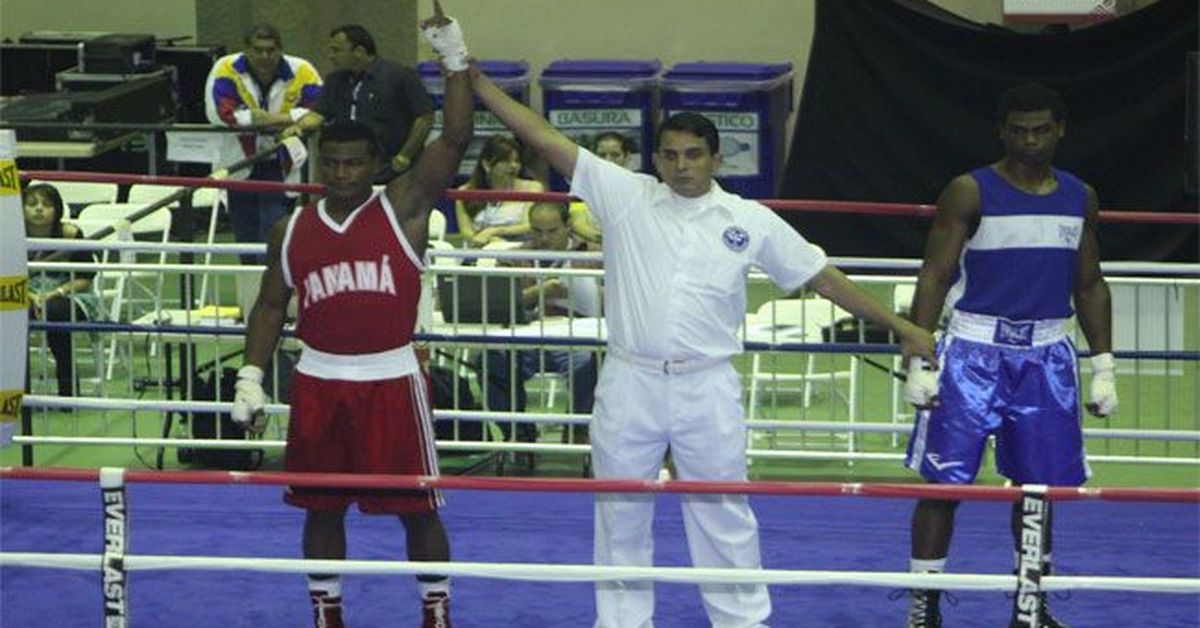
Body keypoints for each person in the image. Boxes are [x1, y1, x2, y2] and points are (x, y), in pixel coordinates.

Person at [469, 66, 936, 627]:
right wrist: (474, 80)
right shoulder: (624, 195)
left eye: (693, 154)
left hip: (707, 383)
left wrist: (901, 327)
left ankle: (742, 622)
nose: (681, 165)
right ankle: (622, 623)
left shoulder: (750, 219)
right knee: (619, 510)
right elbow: (543, 137)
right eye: (670, 155)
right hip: (630, 379)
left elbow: (823, 278)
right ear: (656, 159)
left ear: (717, 159)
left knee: (722, 509)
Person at [230, 4, 472, 626]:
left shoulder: (403, 209)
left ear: (374, 164)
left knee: (419, 507)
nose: (341, 174)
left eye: (354, 163)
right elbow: (271, 305)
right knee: (321, 506)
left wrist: (453, 59)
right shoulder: (291, 228)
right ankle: (326, 611)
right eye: (331, 163)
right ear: (318, 162)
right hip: (318, 379)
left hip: (391, 380)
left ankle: (436, 610)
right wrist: (250, 376)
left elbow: (453, 139)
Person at [901, 82, 1118, 628]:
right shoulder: (968, 191)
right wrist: (919, 357)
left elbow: (1089, 283)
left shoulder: (1080, 196)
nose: (1030, 141)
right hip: (972, 352)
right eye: (1019, 130)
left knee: (1037, 491)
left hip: (1046, 356)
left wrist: (1104, 367)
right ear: (1002, 131)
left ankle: (1031, 608)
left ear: (1060, 130)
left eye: (1041, 129)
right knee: (944, 485)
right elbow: (935, 273)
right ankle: (924, 607)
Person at [478, 202, 601, 446]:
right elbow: (497, 304)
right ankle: (518, 433)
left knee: (592, 361)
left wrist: (594, 294)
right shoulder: (513, 258)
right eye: (537, 231)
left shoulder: (592, 256)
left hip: (576, 336)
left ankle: (578, 428)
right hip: (524, 337)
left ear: (568, 226)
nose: (544, 238)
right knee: (489, 361)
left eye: (552, 231)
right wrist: (538, 292)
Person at [204, 23, 322, 265]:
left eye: (271, 50)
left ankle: (274, 283)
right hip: (239, 163)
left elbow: (319, 110)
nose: (265, 56)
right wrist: (288, 118)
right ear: (246, 50)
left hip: (283, 164)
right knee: (244, 236)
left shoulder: (302, 70)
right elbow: (220, 113)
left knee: (274, 230)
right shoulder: (226, 68)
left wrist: (268, 119)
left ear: (281, 50)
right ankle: (250, 285)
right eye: (258, 50)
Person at [283, 24, 435, 183]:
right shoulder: (335, 81)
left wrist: (404, 157)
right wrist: (298, 126)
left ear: (359, 51)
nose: (331, 56)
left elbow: (425, 117)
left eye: (337, 50)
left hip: (393, 172)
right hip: (348, 172)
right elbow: (317, 114)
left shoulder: (399, 76)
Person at [23, 184, 99, 398]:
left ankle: (68, 394)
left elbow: (85, 277)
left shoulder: (70, 234)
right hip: (24, 293)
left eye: (46, 204)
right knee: (14, 312)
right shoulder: (9, 234)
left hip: (70, 294)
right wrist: (30, 295)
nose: (39, 209)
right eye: (32, 204)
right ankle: (21, 396)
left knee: (55, 311)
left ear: (57, 209)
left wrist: (55, 292)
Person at [454, 134, 544, 247]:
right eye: (506, 161)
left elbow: (527, 226)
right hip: (480, 248)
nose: (513, 166)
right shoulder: (464, 192)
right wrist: (491, 241)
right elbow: (466, 232)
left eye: (517, 161)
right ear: (486, 165)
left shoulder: (533, 188)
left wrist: (492, 231)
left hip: (521, 249)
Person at [567, 132, 634, 245]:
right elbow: (578, 224)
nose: (608, 161)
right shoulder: (582, 187)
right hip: (594, 248)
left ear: (627, 157)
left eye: (615, 155)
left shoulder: (641, 187)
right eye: (602, 155)